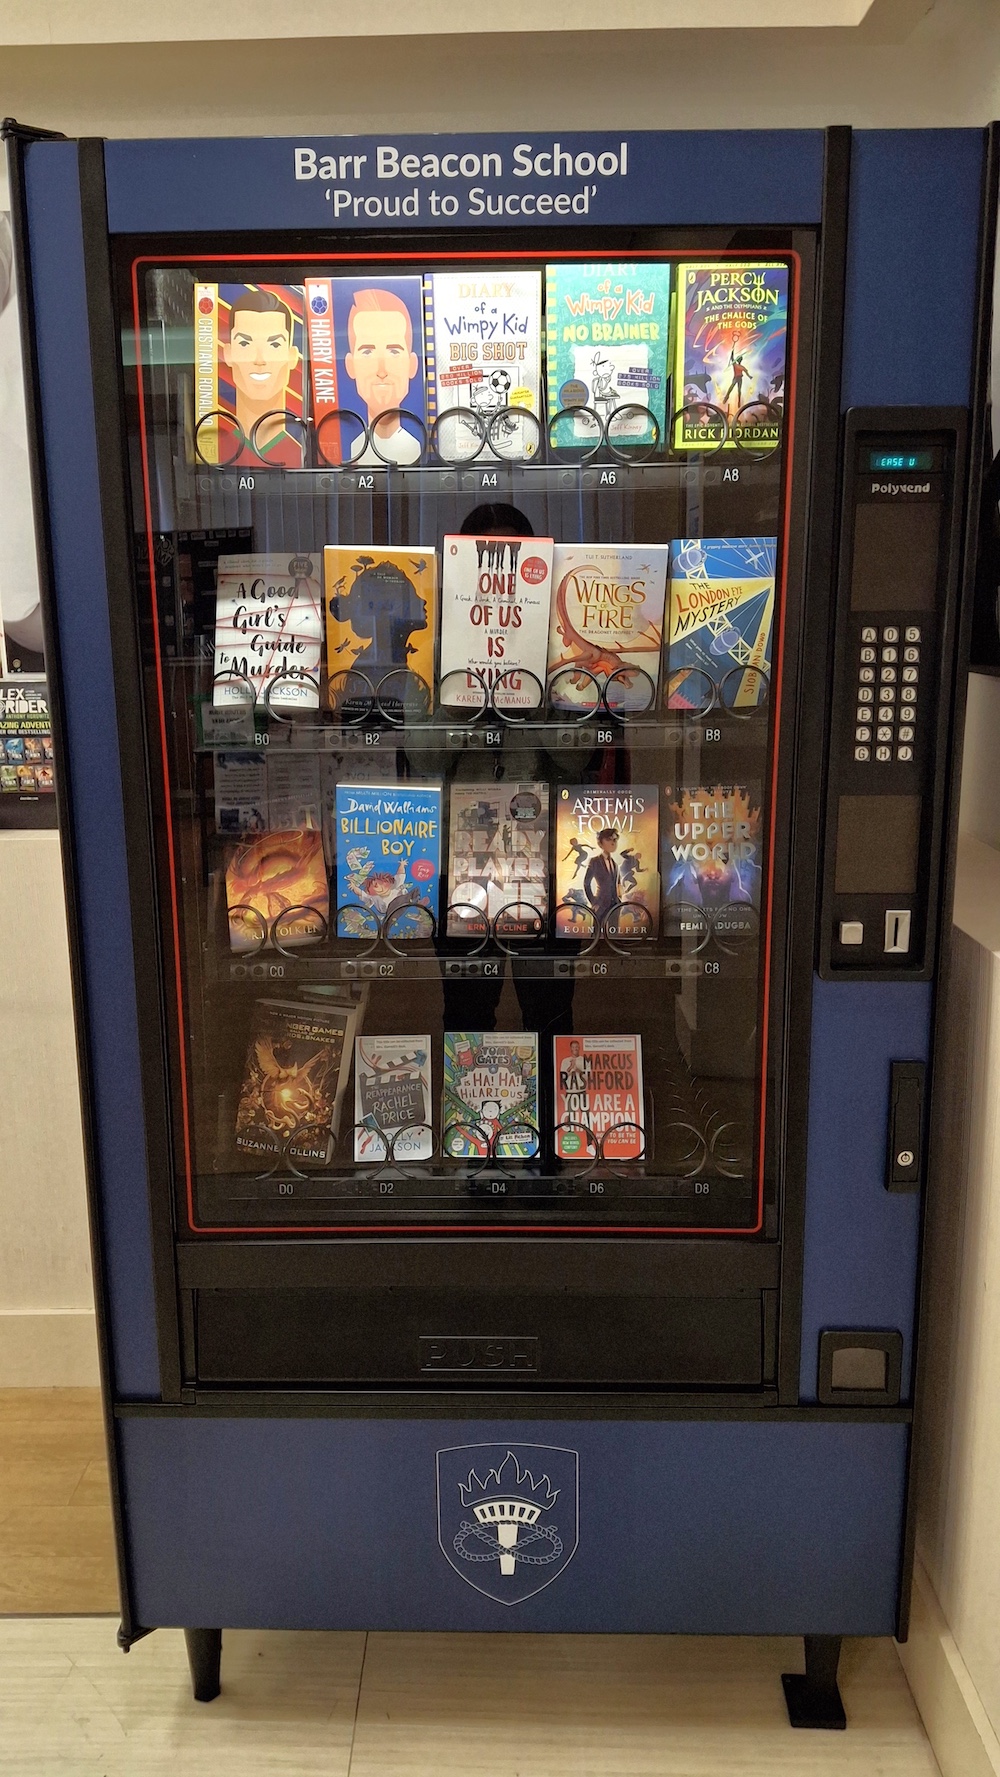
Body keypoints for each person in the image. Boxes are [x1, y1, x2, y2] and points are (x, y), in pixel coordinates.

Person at [221, 288, 301, 465]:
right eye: (244, 343)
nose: (259, 360)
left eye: (274, 345)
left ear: (292, 357)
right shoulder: (217, 447)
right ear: (228, 354)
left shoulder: (300, 450)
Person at [344, 288, 421, 465]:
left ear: (412, 364)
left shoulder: (417, 447)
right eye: (367, 352)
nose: (381, 371)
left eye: (394, 351)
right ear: (350, 365)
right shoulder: (351, 449)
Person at [584, 827, 620, 926]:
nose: (613, 843)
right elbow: (586, 883)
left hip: (615, 905)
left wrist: (619, 899)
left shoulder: (615, 864)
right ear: (600, 843)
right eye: (608, 840)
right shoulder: (595, 861)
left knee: (614, 934)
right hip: (600, 904)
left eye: (615, 840)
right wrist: (594, 902)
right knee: (596, 932)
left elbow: (616, 883)